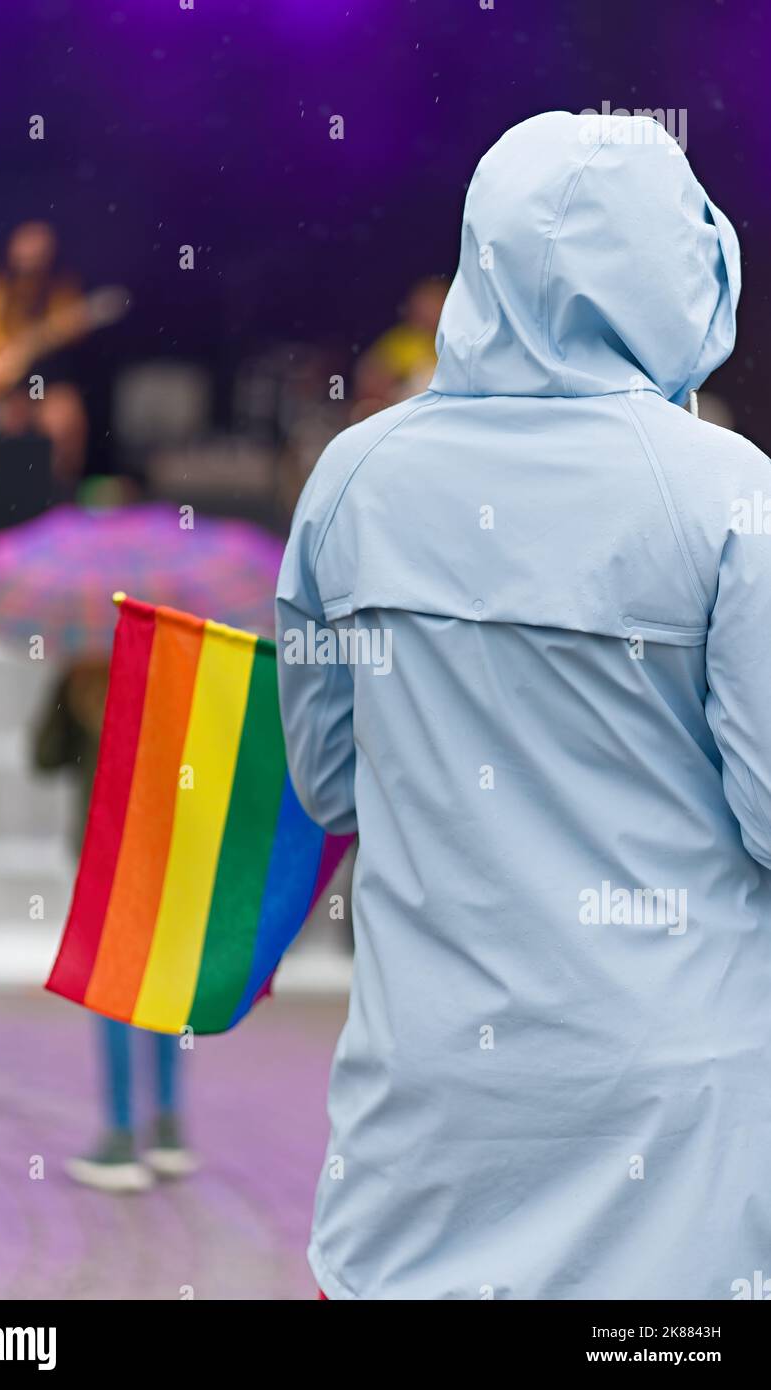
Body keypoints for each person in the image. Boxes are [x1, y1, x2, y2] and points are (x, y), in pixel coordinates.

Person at [276, 112, 771, 1300]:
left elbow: (328, 782)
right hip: (674, 1135)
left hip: (430, 1122)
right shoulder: (728, 493)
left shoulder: (353, 479)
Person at [33, 659, 198, 1193]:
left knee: (115, 994)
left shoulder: (143, 680)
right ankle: (167, 1131)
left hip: (120, 861)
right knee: (160, 993)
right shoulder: (161, 673)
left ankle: (123, 1137)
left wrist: (79, 701)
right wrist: (68, 700)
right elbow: (45, 759)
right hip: (165, 860)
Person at [0, 221, 127, 484]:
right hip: (6, 393)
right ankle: (16, 503)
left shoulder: (62, 291)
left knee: (65, 419)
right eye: (26, 254)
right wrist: (11, 360)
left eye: (40, 255)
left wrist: (46, 338)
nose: (32, 264)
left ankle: (61, 499)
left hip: (49, 384)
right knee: (12, 425)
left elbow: (73, 329)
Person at [351, 277, 447, 419]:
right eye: (423, 306)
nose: (428, 312)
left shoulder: (454, 342)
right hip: (404, 416)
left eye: (434, 305)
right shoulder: (402, 341)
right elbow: (368, 379)